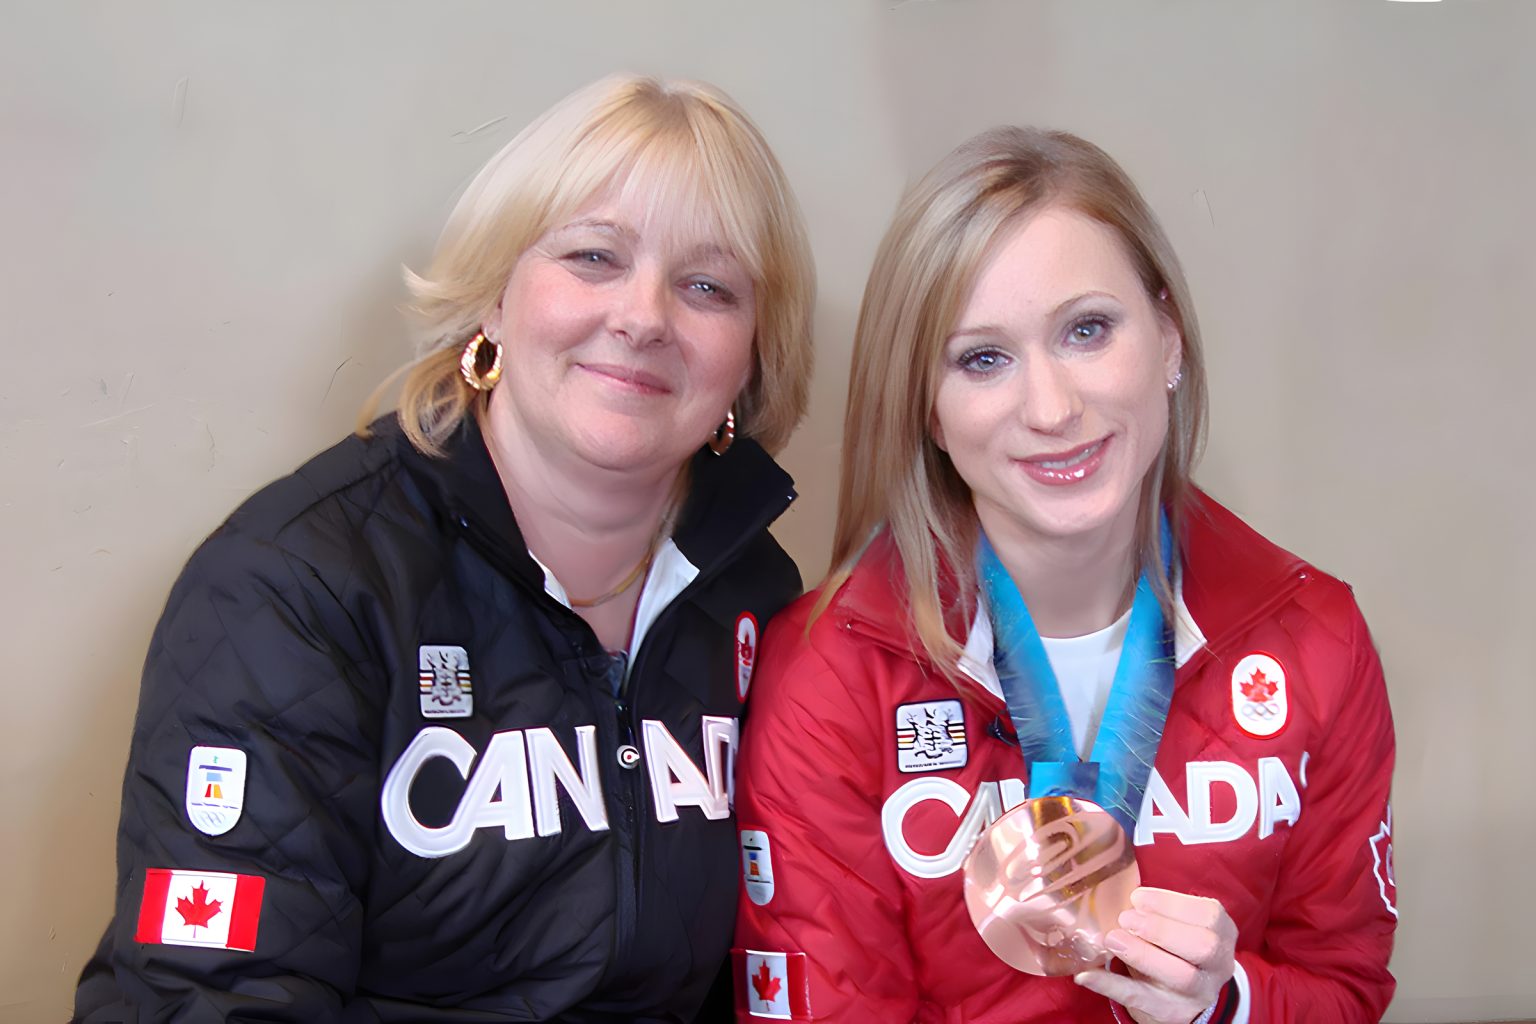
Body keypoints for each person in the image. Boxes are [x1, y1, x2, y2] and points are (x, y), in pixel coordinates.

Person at [74, 72, 815, 1023]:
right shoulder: (297, 590)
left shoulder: (755, 589)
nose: (642, 317)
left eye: (707, 285)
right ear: (494, 301)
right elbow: (208, 1000)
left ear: (751, 354)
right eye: (593, 257)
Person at [732, 127, 1395, 1023]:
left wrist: (1226, 1004)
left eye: (1088, 330)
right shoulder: (829, 674)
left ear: (1167, 340)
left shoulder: (1316, 639)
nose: (1051, 408)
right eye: (983, 358)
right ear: (926, 406)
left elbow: (1344, 990)